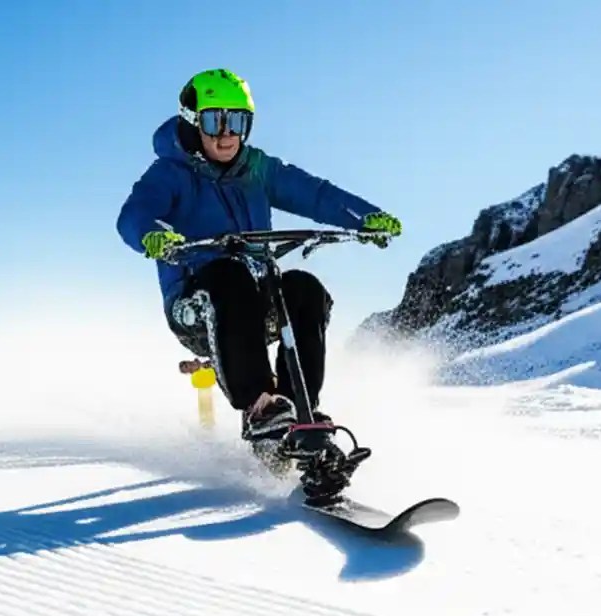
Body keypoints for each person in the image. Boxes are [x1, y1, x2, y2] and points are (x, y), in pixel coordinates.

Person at [116, 68, 401, 442]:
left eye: (238, 122)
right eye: (215, 121)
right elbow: (133, 215)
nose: (227, 134)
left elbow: (315, 194)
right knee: (228, 274)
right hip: (197, 305)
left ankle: (298, 409)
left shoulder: (257, 168)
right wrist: (152, 235)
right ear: (191, 122)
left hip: (256, 299)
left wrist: (364, 217)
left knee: (304, 288)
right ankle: (260, 407)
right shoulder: (170, 173)